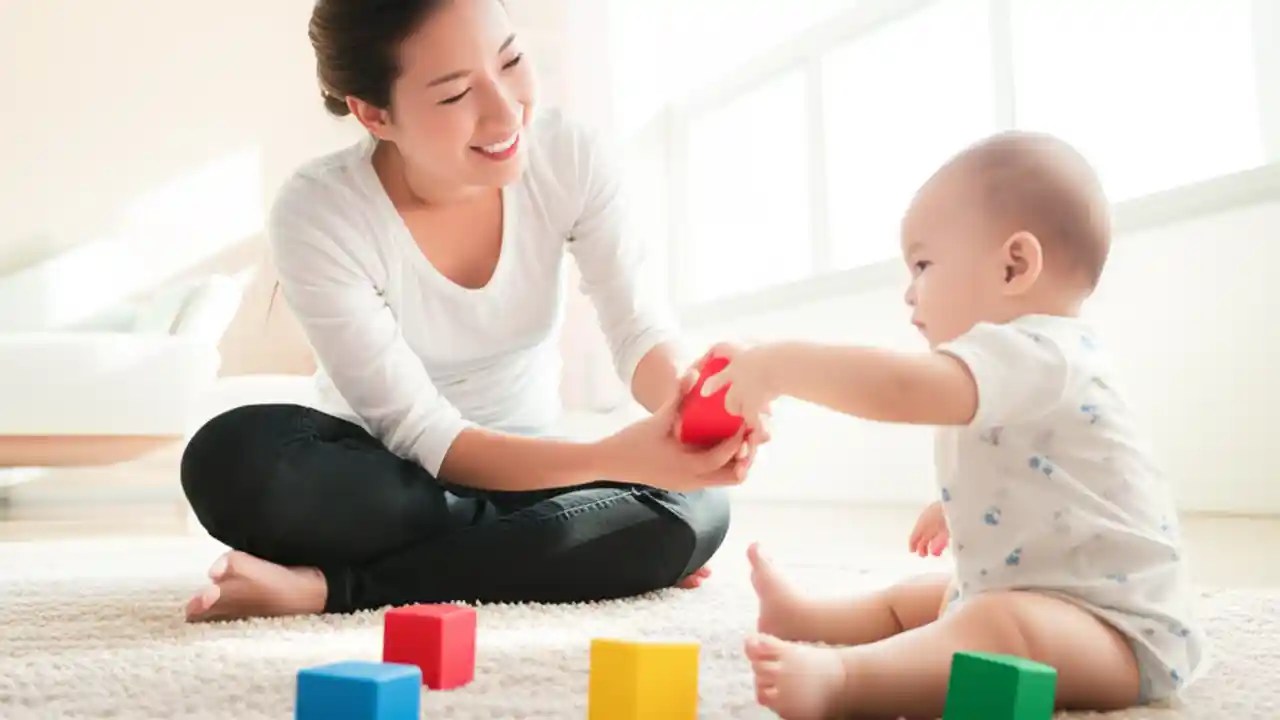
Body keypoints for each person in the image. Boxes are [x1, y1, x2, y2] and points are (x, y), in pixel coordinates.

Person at [178, 0, 766, 623]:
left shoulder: (570, 156)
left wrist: (695, 407)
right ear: (374, 112)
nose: (506, 110)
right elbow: (424, 434)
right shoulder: (319, 210)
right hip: (385, 484)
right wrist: (611, 475)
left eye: (510, 59)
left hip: (539, 466)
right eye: (456, 94)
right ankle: (537, 544)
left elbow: (640, 331)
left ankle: (337, 589)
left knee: (698, 512)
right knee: (232, 459)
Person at [698, 132, 1203, 719]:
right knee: (926, 601)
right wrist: (955, 505)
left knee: (990, 624)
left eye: (923, 263)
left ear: (1015, 265)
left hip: (1122, 636)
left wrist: (780, 364)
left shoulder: (1043, 350)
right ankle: (810, 620)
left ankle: (847, 681)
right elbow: (1040, 470)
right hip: (1046, 600)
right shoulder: (1026, 365)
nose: (909, 291)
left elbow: (902, 389)